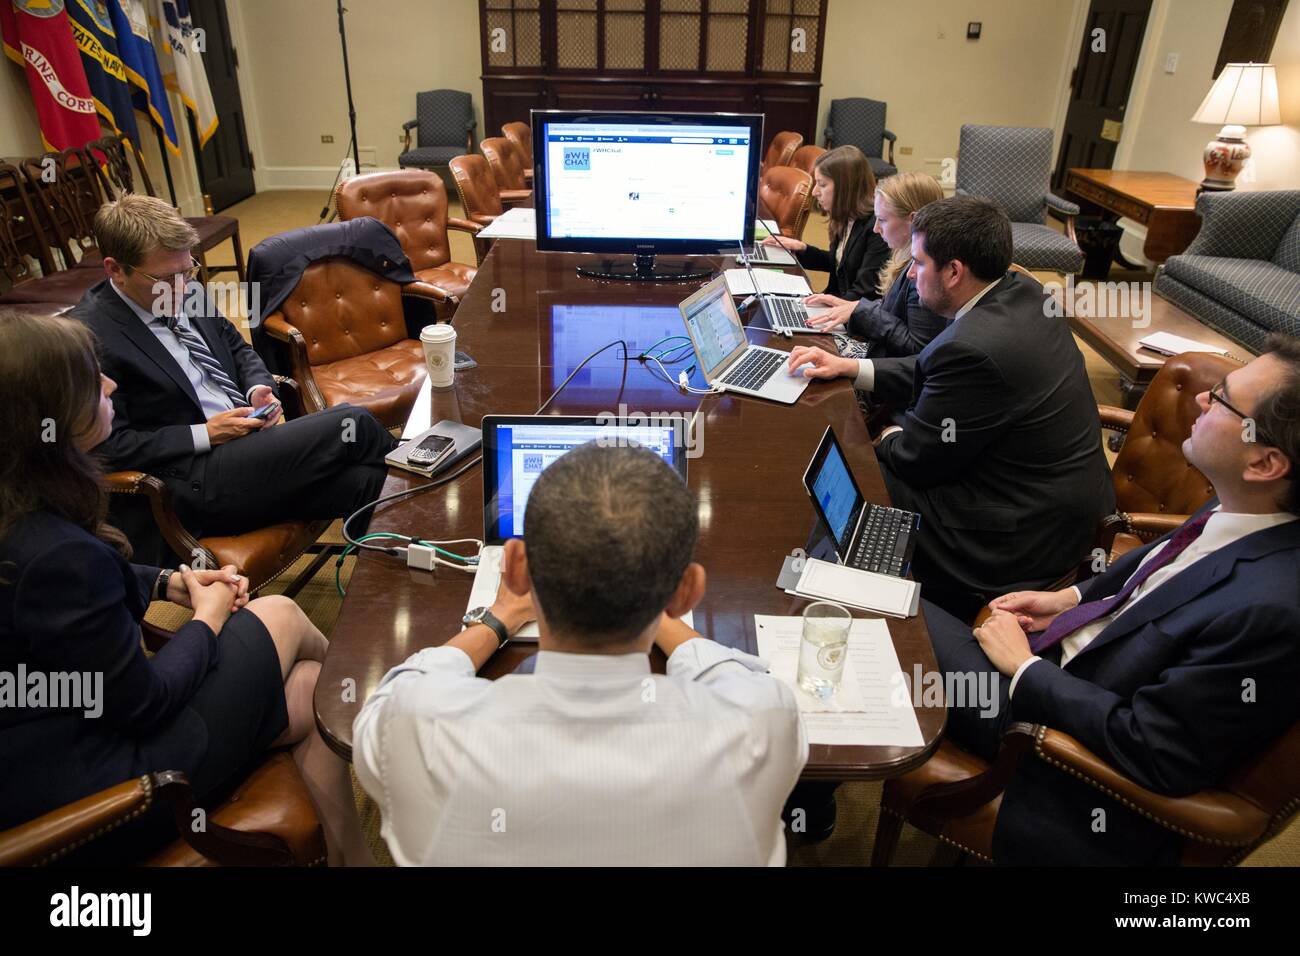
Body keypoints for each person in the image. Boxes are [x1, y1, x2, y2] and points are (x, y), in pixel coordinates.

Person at [0, 310, 371, 866]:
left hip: (48, 745)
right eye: (91, 380)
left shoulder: (20, 509)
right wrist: (208, 616)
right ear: (51, 417)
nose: (111, 386)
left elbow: (58, 591)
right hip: (105, 787)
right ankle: (386, 721)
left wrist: (170, 581)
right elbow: (143, 703)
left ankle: (350, 857)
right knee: (282, 615)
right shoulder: (58, 553)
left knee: (311, 685)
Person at [927, 339, 1300, 864]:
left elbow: (1154, 748)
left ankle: (813, 800)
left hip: (1051, 737)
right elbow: (1163, 562)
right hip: (1062, 662)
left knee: (885, 615)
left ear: (1265, 462)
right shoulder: (1247, 505)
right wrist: (1071, 597)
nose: (1200, 401)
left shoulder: (1274, 612)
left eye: (1221, 399)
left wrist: (1024, 669)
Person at [353, 443, 808, 865]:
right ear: (687, 592)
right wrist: (656, 606)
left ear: (514, 568)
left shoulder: (415, 728)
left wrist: (497, 620)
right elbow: (734, 680)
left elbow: (401, 692)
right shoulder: (763, 722)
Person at [787, 195, 1114, 620]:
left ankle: (840, 607)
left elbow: (916, 461)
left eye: (919, 262)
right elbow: (934, 371)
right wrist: (852, 367)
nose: (910, 272)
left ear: (954, 271)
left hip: (1022, 533)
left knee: (857, 475)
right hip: (1064, 502)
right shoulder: (1025, 292)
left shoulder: (973, 346)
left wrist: (885, 435)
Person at [68, 195, 397, 558]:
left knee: (369, 483)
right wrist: (204, 433)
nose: (181, 287)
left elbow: (235, 346)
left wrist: (258, 388)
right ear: (115, 269)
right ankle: (445, 486)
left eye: (187, 270)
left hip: (248, 451)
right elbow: (107, 447)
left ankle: (412, 579)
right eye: (166, 278)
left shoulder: (183, 288)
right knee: (353, 423)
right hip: (191, 481)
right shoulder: (87, 337)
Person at [796, 171, 948, 363]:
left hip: (886, 368)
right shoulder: (903, 255)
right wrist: (853, 306)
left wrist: (863, 311)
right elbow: (894, 312)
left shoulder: (922, 273)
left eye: (883, 220)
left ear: (913, 221)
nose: (876, 228)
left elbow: (917, 349)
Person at [763, 145, 890, 302]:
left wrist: (822, 303)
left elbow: (864, 293)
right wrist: (802, 248)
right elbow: (839, 264)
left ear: (845, 188)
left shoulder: (877, 229)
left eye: (822, 185)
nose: (815, 192)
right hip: (835, 304)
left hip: (849, 316)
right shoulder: (845, 215)